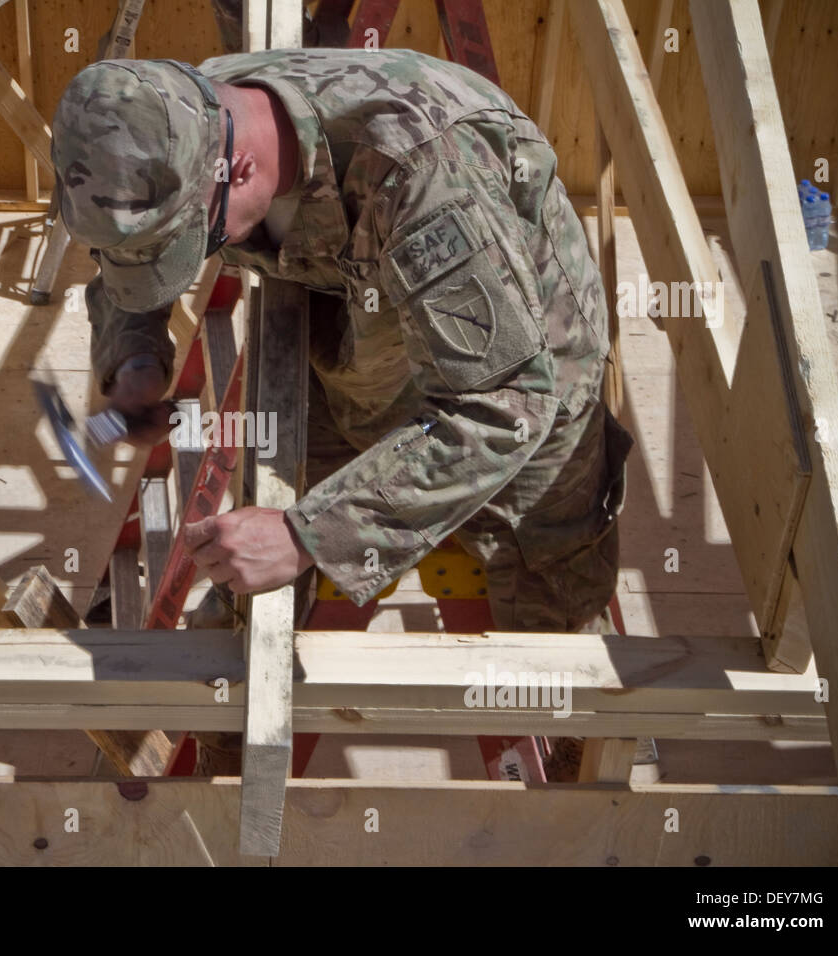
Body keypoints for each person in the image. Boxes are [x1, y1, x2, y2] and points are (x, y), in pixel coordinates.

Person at [51, 49, 633, 769]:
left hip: (525, 370)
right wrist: (135, 354)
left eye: (187, 248)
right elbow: (127, 253)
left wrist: (306, 536)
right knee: (252, 587)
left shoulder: (422, 166)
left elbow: (504, 407)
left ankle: (581, 793)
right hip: (366, 335)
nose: (183, 261)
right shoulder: (179, 118)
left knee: (549, 610)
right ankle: (223, 763)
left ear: (237, 168)